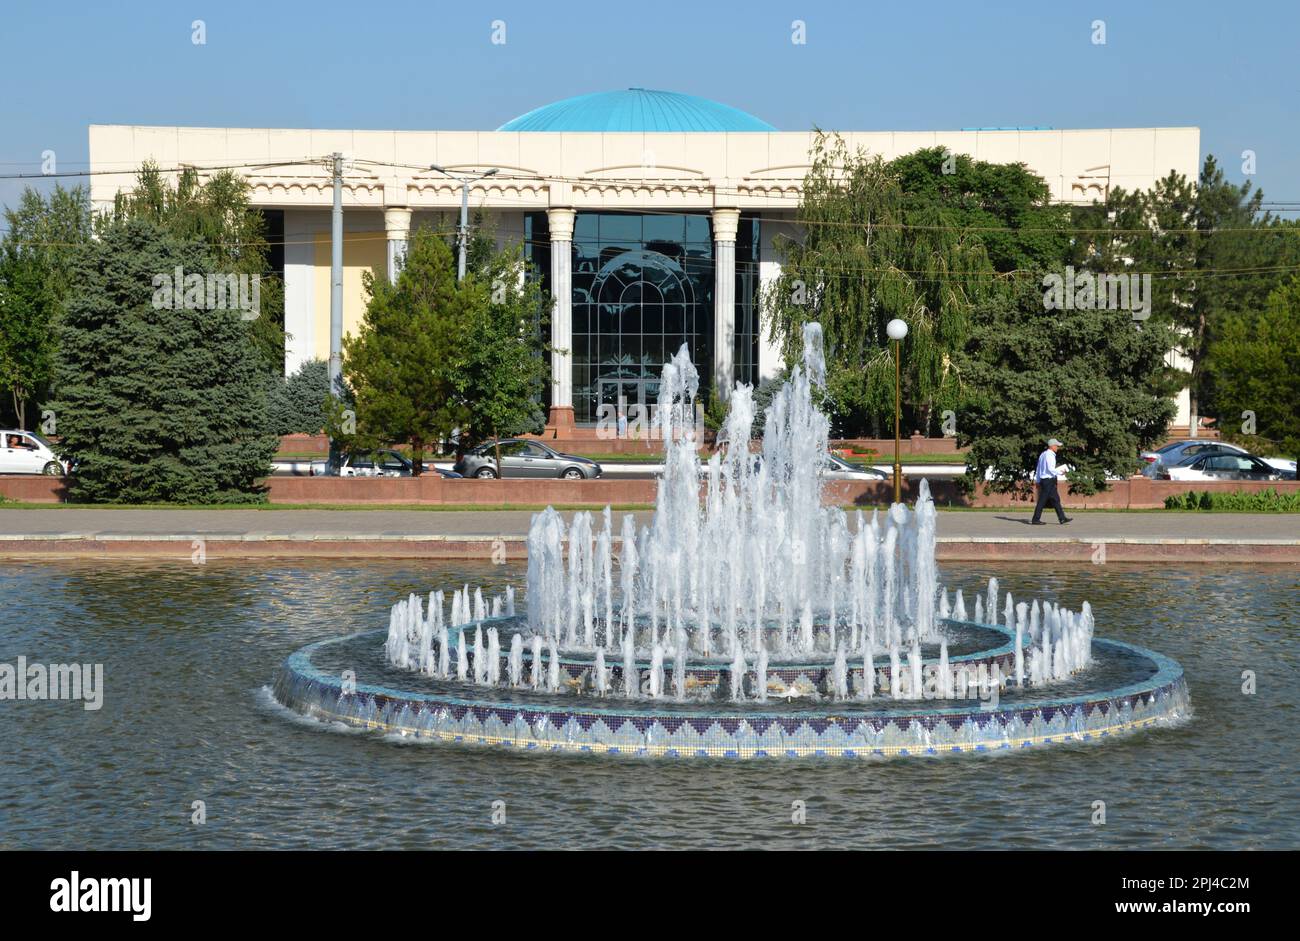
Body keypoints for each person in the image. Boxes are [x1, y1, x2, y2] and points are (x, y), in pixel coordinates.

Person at [1031, 438, 1073, 525]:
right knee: (1042, 500)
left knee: (1055, 499)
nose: (1058, 448)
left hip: (1045, 480)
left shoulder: (1043, 455)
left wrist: (1038, 480)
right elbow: (1050, 469)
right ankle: (1035, 519)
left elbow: (1039, 469)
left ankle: (1062, 518)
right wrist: (1061, 472)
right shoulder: (1050, 455)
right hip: (1048, 480)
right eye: (1057, 446)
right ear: (1052, 446)